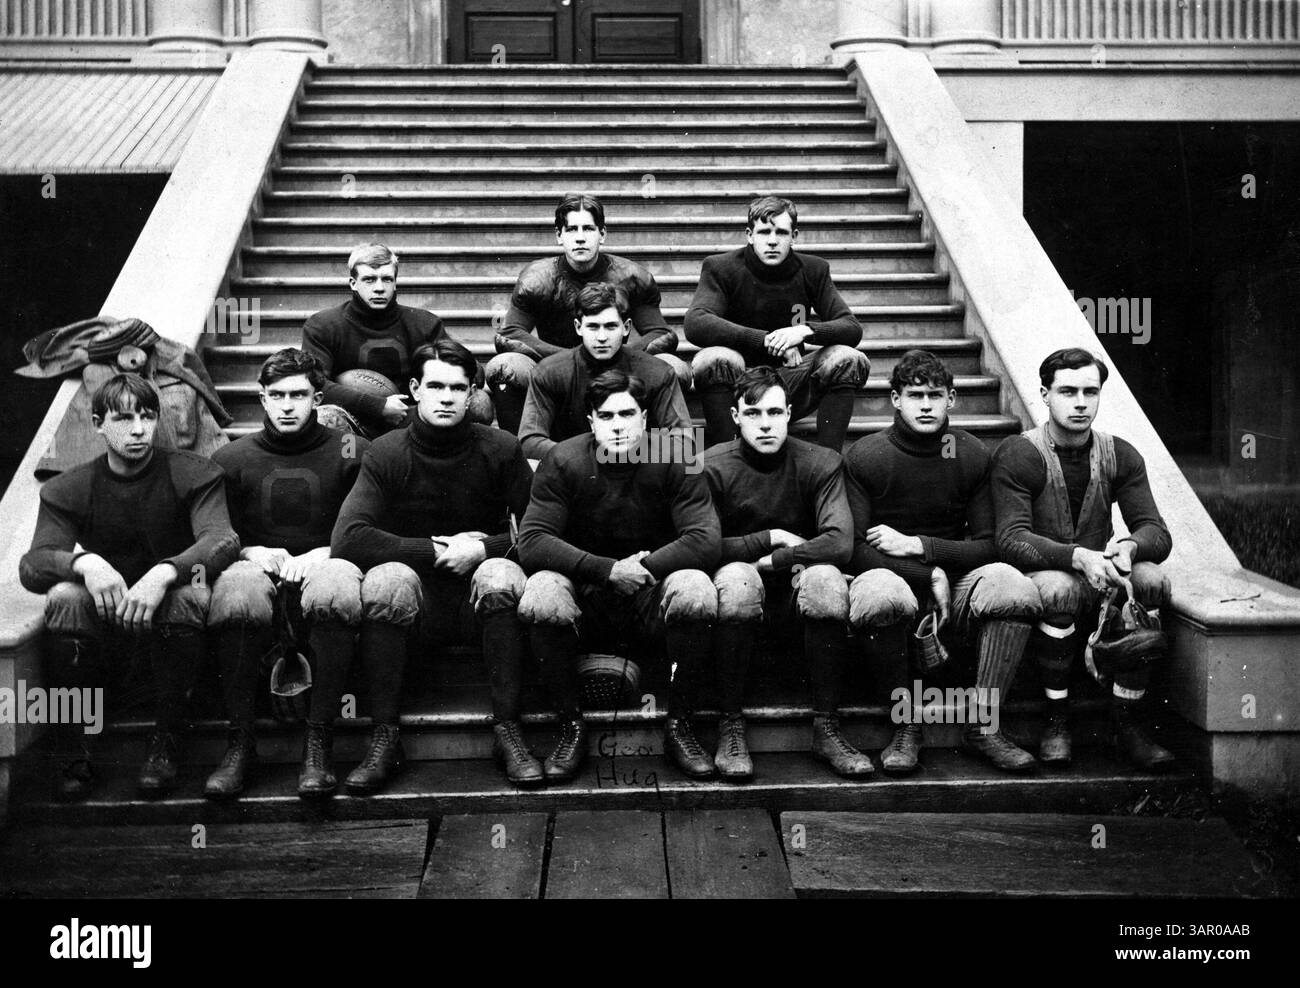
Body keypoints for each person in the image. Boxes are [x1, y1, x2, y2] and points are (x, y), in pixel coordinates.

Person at [19, 374, 240, 799]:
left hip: (177, 633)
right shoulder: (70, 486)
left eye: (147, 416)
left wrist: (165, 572)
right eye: (123, 418)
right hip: (108, 629)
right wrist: (83, 562)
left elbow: (222, 540)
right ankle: (75, 742)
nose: (138, 429)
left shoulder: (192, 472)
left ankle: (167, 739)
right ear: (99, 423)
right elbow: (34, 565)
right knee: (64, 596)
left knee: (190, 591)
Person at [331, 339, 538, 790]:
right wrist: (434, 550)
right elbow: (348, 538)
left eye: (458, 388)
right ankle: (385, 736)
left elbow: (543, 535)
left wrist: (482, 549)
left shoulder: (501, 448)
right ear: (415, 389)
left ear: (472, 394)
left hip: (479, 604)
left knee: (499, 572)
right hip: (414, 607)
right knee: (388, 580)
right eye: (436, 386)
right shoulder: (386, 451)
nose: (447, 397)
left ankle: (508, 730)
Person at [843, 350, 1043, 775]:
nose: (926, 405)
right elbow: (854, 547)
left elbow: (992, 544)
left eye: (935, 395)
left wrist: (924, 548)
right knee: (880, 593)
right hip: (888, 573)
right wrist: (923, 572)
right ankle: (907, 724)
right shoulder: (866, 456)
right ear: (895, 399)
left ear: (952, 398)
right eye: (915, 395)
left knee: (1013, 587)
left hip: (956, 577)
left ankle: (984, 726)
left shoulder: (969, 453)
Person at [516, 370, 720, 782]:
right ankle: (570, 725)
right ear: (590, 420)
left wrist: (640, 570)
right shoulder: (564, 458)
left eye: (628, 414)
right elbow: (533, 541)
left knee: (696, 587)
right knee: (541, 590)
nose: (619, 425)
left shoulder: (677, 450)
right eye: (606, 416)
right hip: (588, 597)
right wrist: (608, 569)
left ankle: (680, 725)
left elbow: (705, 539)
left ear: (645, 417)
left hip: (650, 594)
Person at [991, 347, 1175, 770]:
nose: (1079, 402)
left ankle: (1126, 721)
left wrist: (1129, 548)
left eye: (1090, 392)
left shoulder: (1120, 453)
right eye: (1067, 391)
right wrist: (1077, 557)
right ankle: (1056, 718)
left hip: (1102, 570)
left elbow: (1156, 531)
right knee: (1060, 588)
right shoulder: (1019, 453)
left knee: (1151, 579)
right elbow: (1011, 538)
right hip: (1047, 571)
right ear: (1044, 393)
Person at [204, 349, 368, 799]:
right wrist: (249, 549)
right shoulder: (231, 457)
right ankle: (240, 742)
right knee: (236, 590)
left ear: (317, 396)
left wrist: (328, 550)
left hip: (329, 563)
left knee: (335, 584)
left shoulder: (350, 449)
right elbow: (212, 531)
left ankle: (318, 741)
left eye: (299, 394)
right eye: (277, 395)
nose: (288, 404)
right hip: (259, 570)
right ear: (261, 398)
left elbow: (372, 521)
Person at [704, 367, 872, 781]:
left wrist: (779, 559)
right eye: (754, 413)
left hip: (797, 587)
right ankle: (730, 724)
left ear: (790, 413)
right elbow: (700, 545)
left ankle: (827, 726)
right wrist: (769, 539)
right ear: (734, 416)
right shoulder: (709, 466)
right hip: (738, 592)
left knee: (827, 578)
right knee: (738, 579)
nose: (765, 424)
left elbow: (838, 542)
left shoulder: (821, 461)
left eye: (775, 413)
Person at [486, 193, 689, 434]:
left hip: (620, 366)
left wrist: (615, 355)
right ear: (559, 235)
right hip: (556, 370)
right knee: (504, 366)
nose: (580, 238)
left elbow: (662, 333)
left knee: (673, 366)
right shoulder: (538, 278)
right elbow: (509, 333)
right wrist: (573, 358)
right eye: (572, 229)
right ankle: (519, 458)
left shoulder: (632, 276)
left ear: (602, 234)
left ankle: (651, 457)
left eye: (588, 229)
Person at [684, 195, 870, 451]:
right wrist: (766, 340)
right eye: (764, 232)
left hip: (790, 378)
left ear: (794, 236)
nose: (772, 241)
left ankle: (830, 460)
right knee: (712, 359)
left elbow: (850, 326)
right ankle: (725, 458)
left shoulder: (813, 269)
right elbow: (696, 321)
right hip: (741, 380)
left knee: (847, 357)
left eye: (781, 232)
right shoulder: (721, 267)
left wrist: (804, 332)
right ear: (749, 235)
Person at [301, 242, 492, 437]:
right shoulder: (323, 325)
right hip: (355, 421)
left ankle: (451, 463)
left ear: (395, 283)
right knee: (326, 417)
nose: (379, 288)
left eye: (386, 279)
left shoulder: (423, 323)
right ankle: (349, 465)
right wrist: (378, 406)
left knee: (479, 402)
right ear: (353, 283)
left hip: (413, 418)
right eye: (369, 280)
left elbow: (471, 373)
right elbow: (313, 383)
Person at [517, 282, 693, 462]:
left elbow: (684, 440)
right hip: (576, 472)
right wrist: (590, 457)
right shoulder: (550, 371)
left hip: (638, 470)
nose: (601, 337)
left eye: (610, 326)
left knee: (690, 468)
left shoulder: (657, 371)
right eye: (593, 327)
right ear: (578, 327)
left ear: (626, 327)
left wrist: (623, 456)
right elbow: (530, 440)